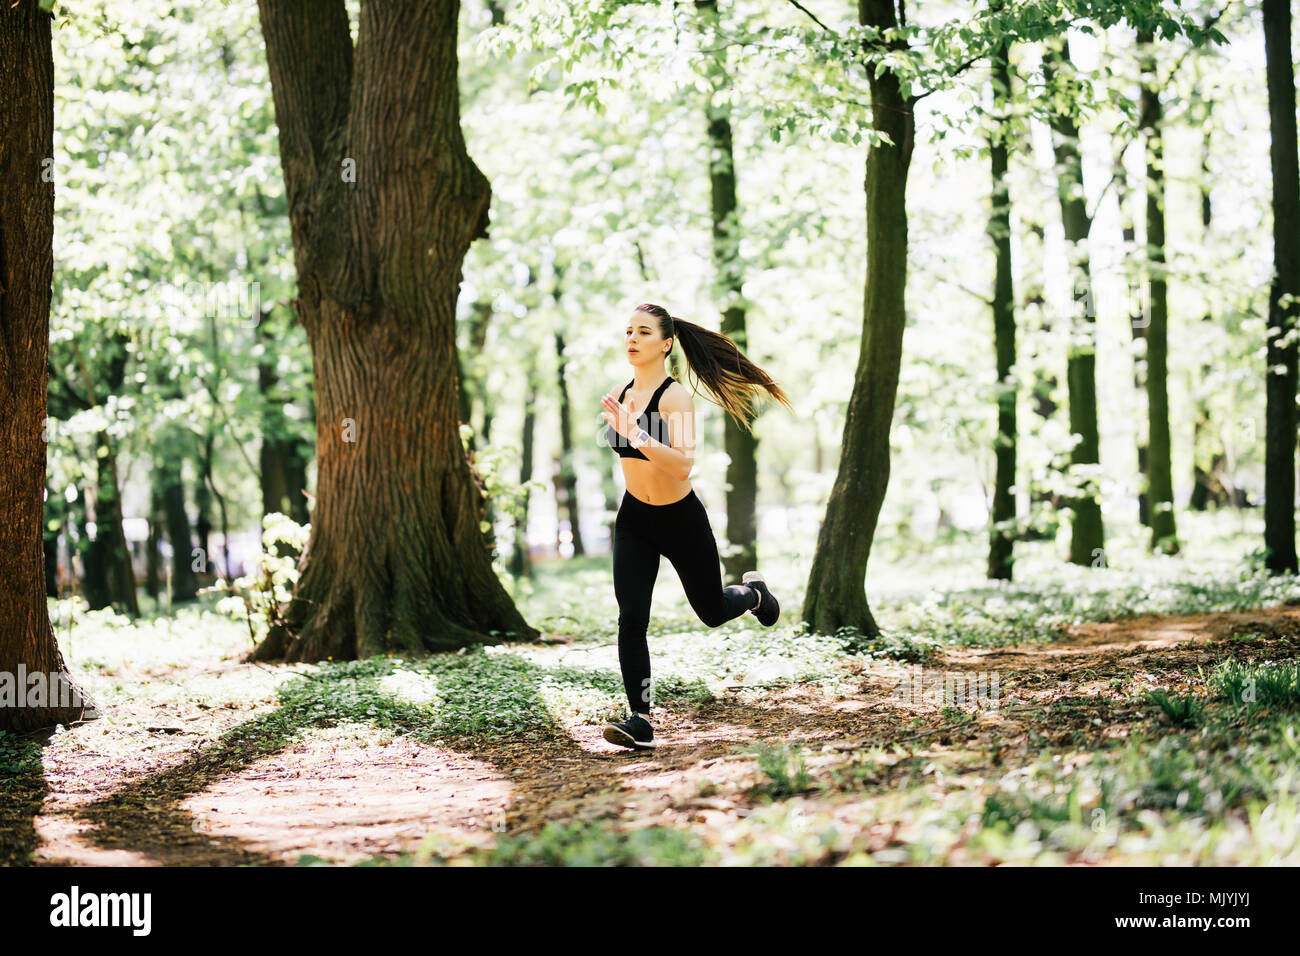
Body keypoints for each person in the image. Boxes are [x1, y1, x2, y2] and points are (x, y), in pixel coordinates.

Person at [598, 302, 793, 750]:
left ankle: (754, 594)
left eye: (644, 332)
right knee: (632, 619)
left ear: (666, 344)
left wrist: (636, 430)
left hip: (680, 519)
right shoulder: (619, 392)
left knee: (710, 611)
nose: (632, 338)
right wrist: (626, 426)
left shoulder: (675, 397)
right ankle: (640, 719)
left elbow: (683, 466)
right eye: (628, 331)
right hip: (634, 520)